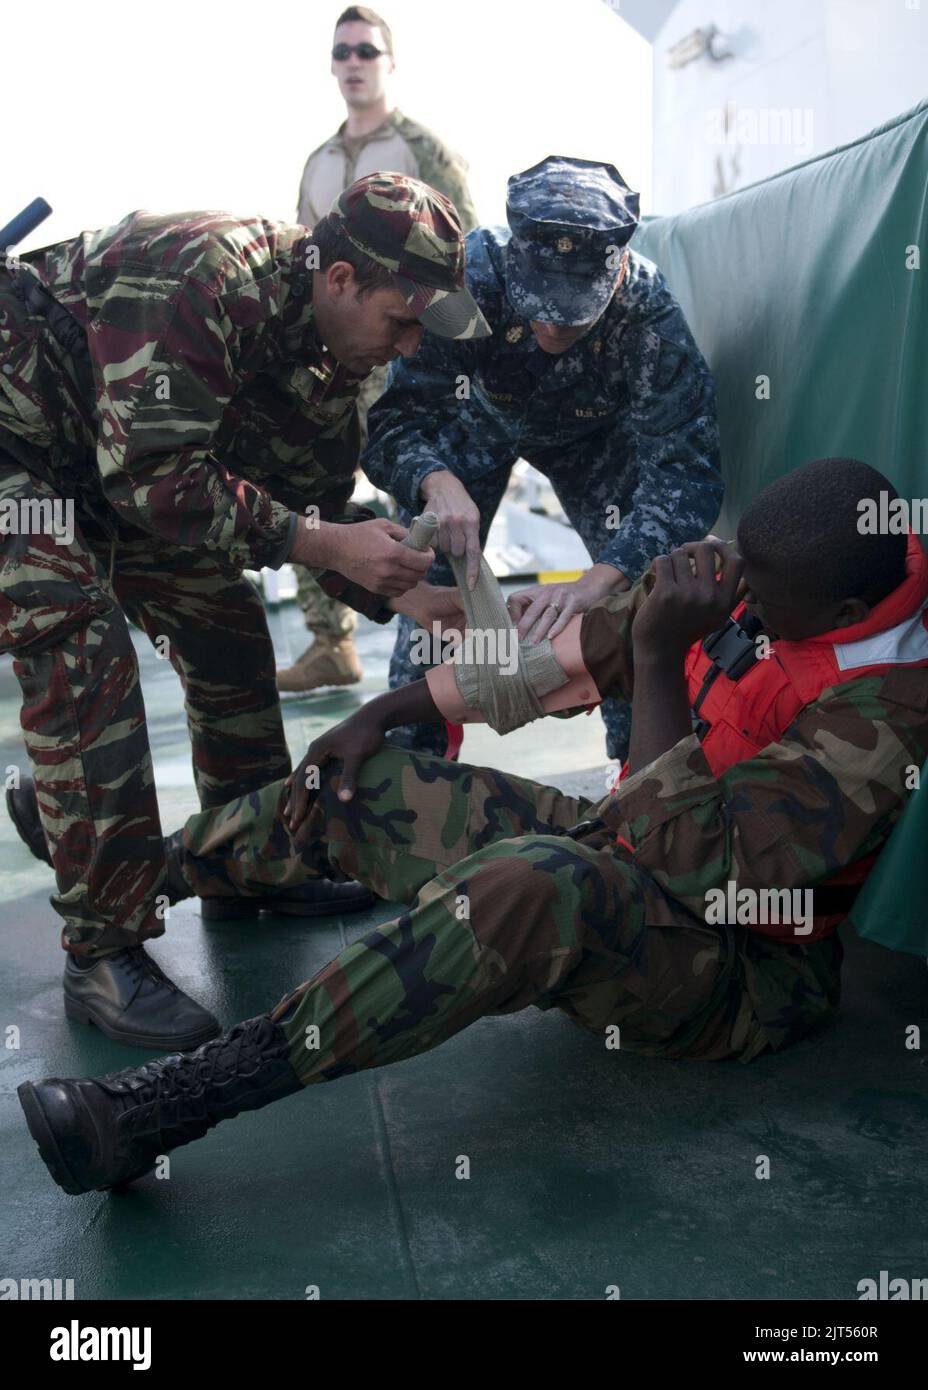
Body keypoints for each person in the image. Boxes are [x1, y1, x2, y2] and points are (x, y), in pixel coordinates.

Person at [18, 458, 928, 1196]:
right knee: (361, 782)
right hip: (632, 843)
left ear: (845, 617)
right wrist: (386, 708)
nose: (748, 611)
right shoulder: (771, 577)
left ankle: (169, 1106)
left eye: (768, 607)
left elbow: (698, 856)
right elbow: (553, 661)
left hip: (740, 965)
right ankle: (135, 877)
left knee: (534, 883)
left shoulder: (889, 715)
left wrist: (657, 654)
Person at [0, 172, 485, 1050]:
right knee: (75, 634)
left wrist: (406, 588)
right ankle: (104, 949)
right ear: (339, 279)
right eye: (402, 319)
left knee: (222, 624)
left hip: (107, 471)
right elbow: (158, 481)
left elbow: (298, 504)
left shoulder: (336, 358)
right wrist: (331, 547)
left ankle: (243, 865)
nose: (412, 345)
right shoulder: (202, 274)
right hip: (17, 443)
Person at [363, 154, 723, 765]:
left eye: (573, 311)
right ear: (514, 264)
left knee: (631, 599)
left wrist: (602, 577)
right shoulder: (470, 278)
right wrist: (435, 480)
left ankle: (641, 777)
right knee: (427, 588)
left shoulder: (648, 316)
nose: (551, 328)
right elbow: (394, 425)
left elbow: (685, 477)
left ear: (613, 279)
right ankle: (407, 771)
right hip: (474, 422)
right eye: (537, 304)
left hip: (593, 440)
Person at [282, 3, 479, 695]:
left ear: (388, 62)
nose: (353, 64)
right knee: (305, 484)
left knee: (407, 486)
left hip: (401, 351)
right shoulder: (319, 160)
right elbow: (303, 259)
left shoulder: (425, 152)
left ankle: (422, 632)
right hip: (330, 354)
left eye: (366, 51)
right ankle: (328, 642)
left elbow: (463, 259)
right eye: (342, 52)